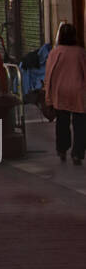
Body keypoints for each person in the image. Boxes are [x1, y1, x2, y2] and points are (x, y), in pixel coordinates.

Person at [43, 23, 86, 164]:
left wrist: (48, 97)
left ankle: (62, 149)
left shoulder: (55, 53)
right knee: (80, 124)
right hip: (78, 92)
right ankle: (77, 153)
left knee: (62, 123)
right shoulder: (81, 52)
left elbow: (49, 75)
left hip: (60, 93)